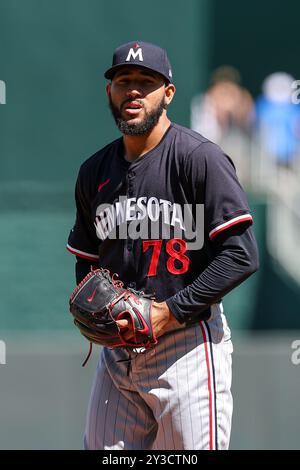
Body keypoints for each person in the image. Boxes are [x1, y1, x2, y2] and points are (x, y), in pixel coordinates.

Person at [67, 41, 259, 450]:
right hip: (119, 353)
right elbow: (86, 262)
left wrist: (169, 313)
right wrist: (96, 309)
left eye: (146, 82)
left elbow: (242, 254)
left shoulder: (199, 158)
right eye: (124, 81)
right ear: (110, 92)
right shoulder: (94, 172)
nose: (133, 91)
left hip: (187, 344)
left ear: (168, 93)